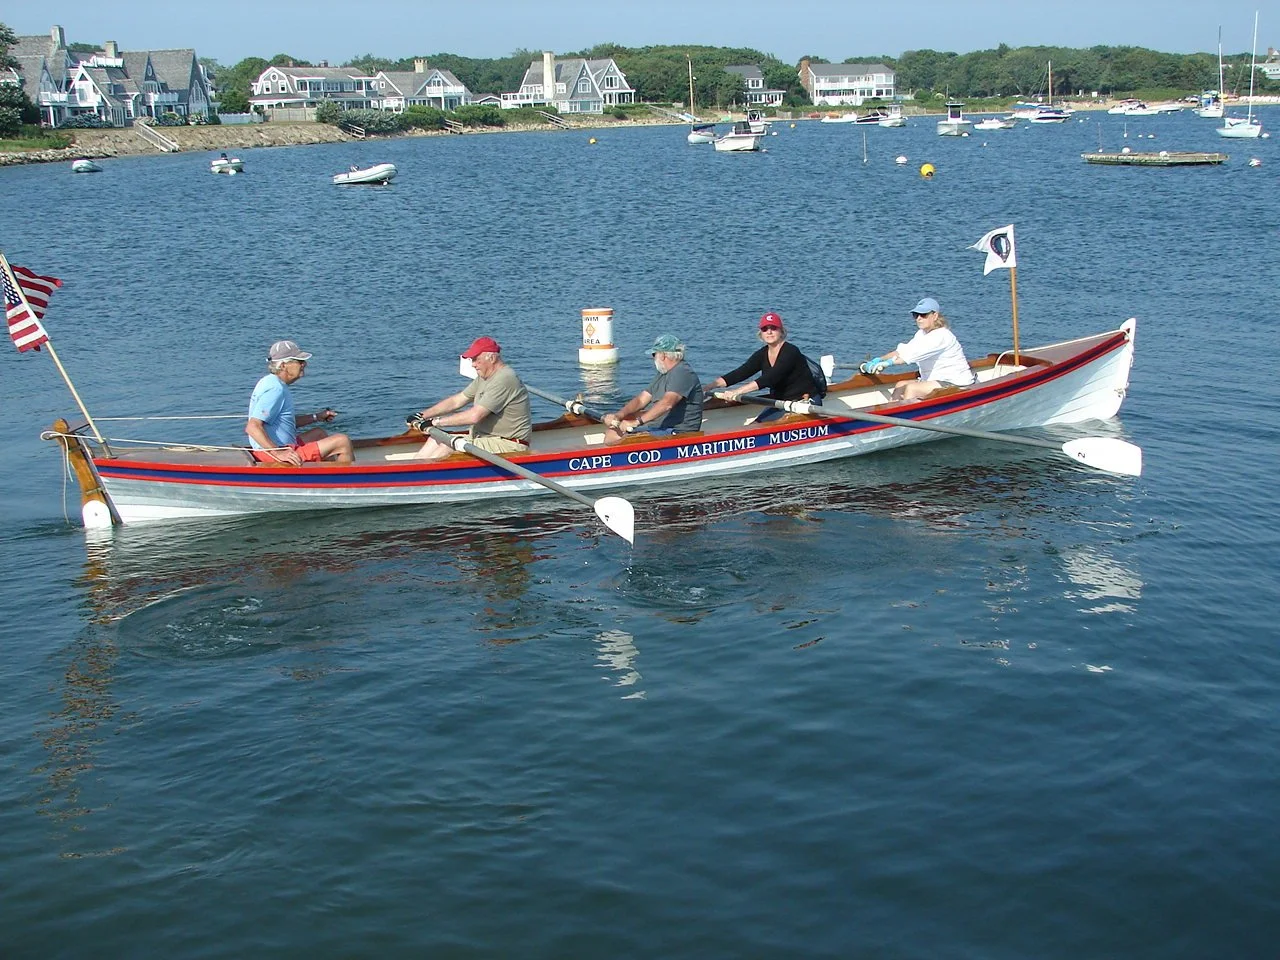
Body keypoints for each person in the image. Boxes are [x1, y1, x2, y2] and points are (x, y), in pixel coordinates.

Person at [408, 336, 532, 461]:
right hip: (484, 438)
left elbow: (474, 416)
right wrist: (423, 415)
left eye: (476, 359)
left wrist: (435, 422)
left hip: (508, 444)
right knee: (435, 439)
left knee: (448, 444)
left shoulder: (505, 378)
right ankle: (411, 471)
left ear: (492, 358)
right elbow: (457, 400)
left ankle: (422, 476)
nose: (473, 365)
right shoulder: (484, 377)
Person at [246, 340, 354, 464]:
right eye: (299, 361)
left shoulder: (270, 382)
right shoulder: (276, 389)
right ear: (283, 366)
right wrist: (277, 453)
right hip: (276, 453)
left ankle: (324, 477)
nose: (304, 364)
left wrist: (317, 417)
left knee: (319, 433)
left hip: (280, 447)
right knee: (342, 441)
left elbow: (286, 422)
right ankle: (346, 480)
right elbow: (252, 426)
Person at [704, 311, 820, 422]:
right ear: (761, 333)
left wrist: (737, 392)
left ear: (781, 331)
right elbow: (741, 372)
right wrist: (710, 386)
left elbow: (770, 378)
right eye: (765, 329)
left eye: (773, 328)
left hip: (804, 401)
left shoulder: (791, 351)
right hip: (780, 403)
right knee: (755, 426)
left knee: (770, 427)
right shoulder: (762, 353)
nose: (769, 332)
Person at [861, 297, 975, 402]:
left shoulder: (942, 336)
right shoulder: (921, 334)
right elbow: (902, 351)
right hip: (934, 381)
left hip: (956, 383)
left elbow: (908, 357)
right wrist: (877, 360)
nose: (919, 319)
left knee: (912, 388)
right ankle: (891, 416)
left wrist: (887, 363)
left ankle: (904, 419)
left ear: (935, 316)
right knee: (900, 385)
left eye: (923, 315)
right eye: (916, 315)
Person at [602, 335, 703, 444]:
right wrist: (619, 415)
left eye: (654, 354)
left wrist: (636, 422)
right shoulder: (663, 373)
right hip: (660, 428)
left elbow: (667, 404)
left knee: (620, 438)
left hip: (678, 432)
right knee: (613, 432)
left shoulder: (682, 372)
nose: (652, 358)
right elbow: (641, 399)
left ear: (663, 355)